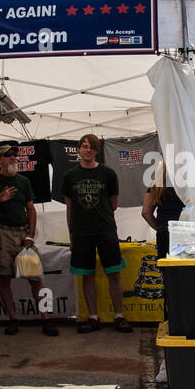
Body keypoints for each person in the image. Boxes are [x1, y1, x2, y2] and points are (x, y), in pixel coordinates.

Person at [0, 142, 58, 337]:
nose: (13, 158)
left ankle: (46, 319)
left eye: (15, 155)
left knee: (35, 277)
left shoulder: (23, 181)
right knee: (3, 279)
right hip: (2, 233)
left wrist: (31, 233)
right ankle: (13, 319)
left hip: (22, 232)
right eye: (8, 155)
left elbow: (31, 208)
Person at [61, 133, 130, 333]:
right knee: (87, 275)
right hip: (81, 233)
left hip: (105, 230)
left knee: (114, 273)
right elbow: (69, 208)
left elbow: (114, 204)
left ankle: (119, 316)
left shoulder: (108, 174)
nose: (87, 150)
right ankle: (93, 317)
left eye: (91, 147)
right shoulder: (69, 176)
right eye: (84, 146)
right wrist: (71, 235)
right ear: (78, 150)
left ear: (97, 150)